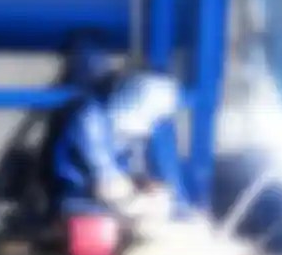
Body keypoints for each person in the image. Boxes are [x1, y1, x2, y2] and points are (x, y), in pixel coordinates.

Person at [40, 68, 189, 224]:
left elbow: (137, 169)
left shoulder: (137, 130)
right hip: (75, 197)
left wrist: (150, 187)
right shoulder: (91, 120)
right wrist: (133, 201)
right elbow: (107, 182)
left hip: (111, 200)